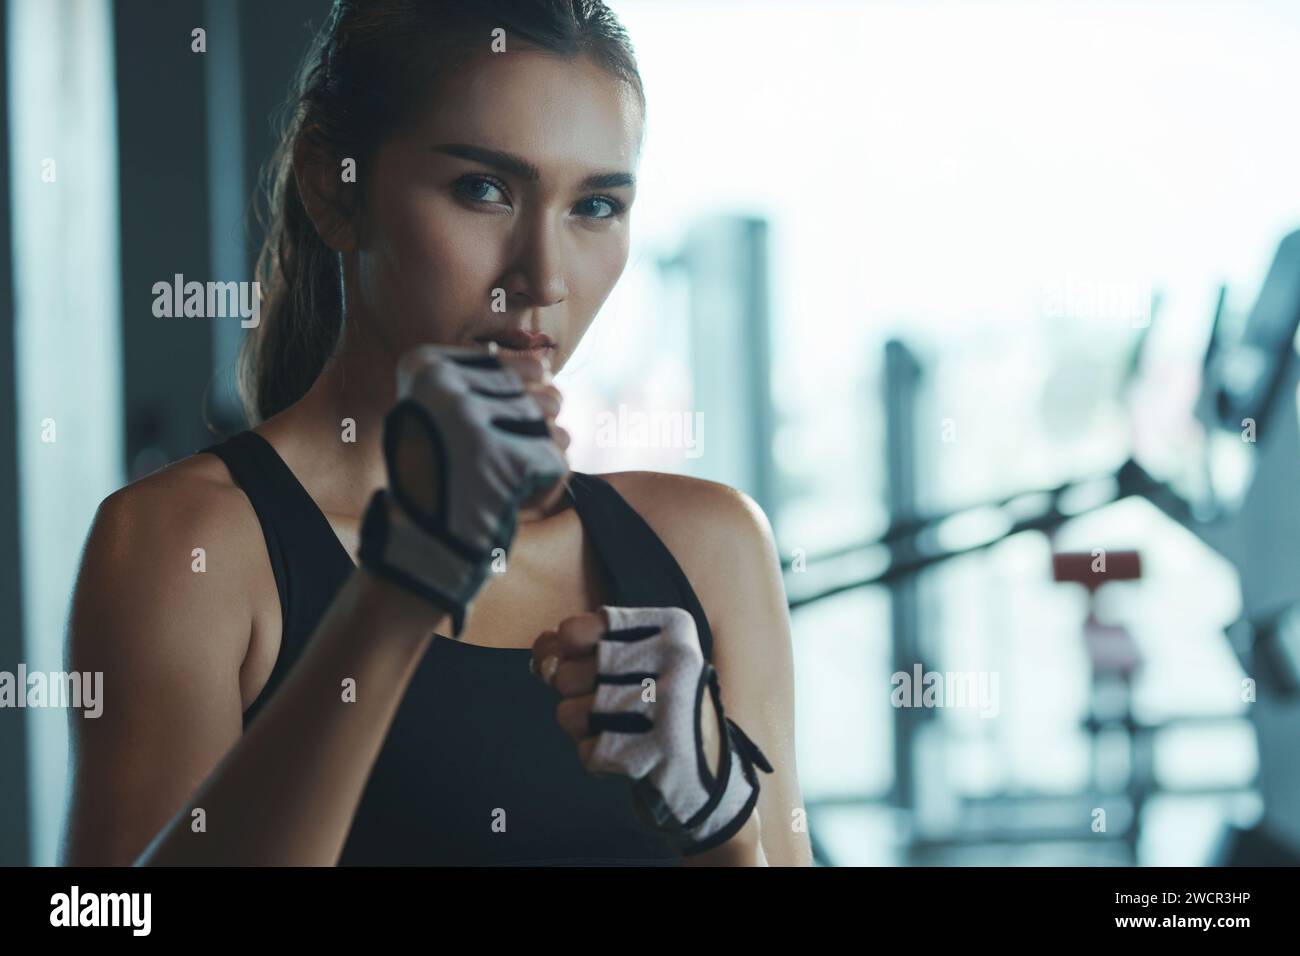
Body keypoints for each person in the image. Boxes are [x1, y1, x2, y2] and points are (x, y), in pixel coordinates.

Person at [61, 0, 810, 866]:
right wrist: (400, 588)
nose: (543, 277)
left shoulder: (711, 547)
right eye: (483, 189)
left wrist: (719, 814)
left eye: (595, 205)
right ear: (331, 186)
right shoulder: (189, 547)